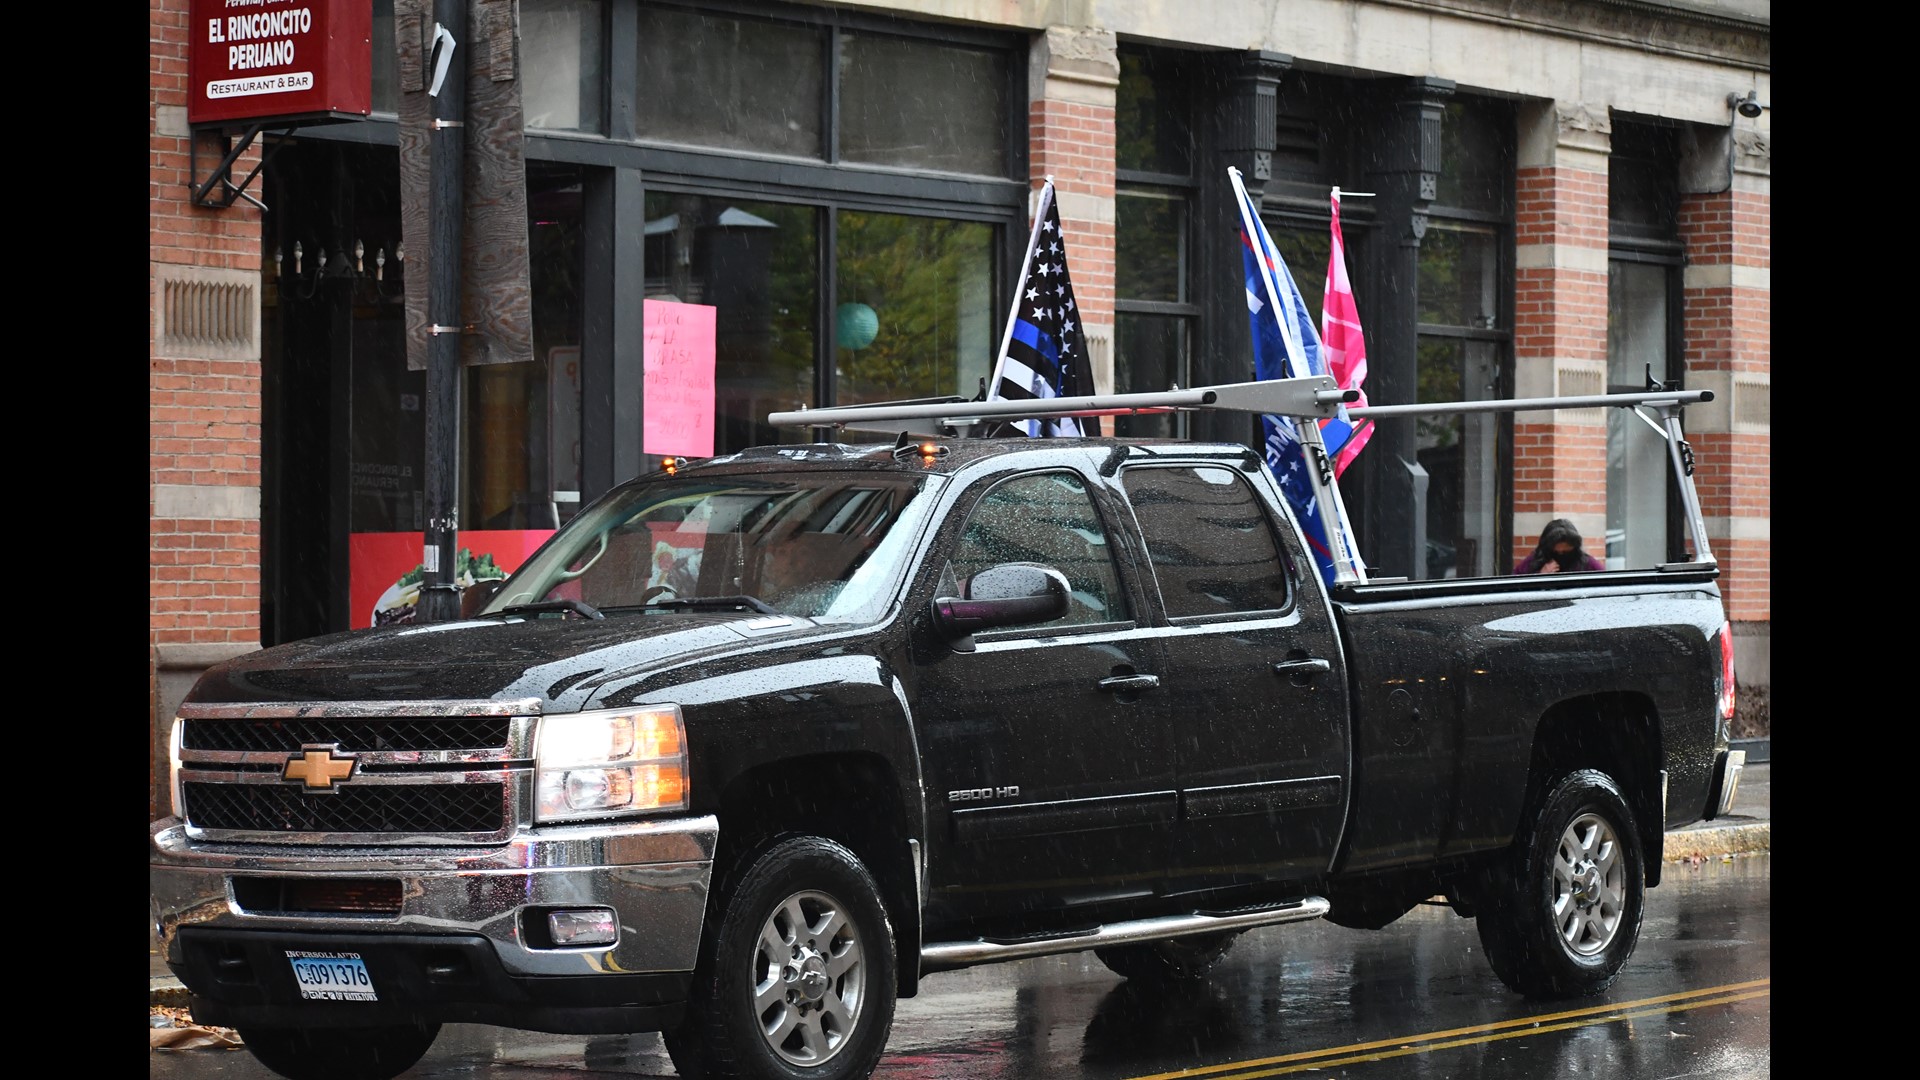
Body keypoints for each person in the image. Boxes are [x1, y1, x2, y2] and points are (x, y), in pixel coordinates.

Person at [1515, 518, 1605, 575]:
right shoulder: (1534, 561)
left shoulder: (1588, 564)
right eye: (1556, 552)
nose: (1561, 555)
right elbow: (1515, 585)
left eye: (1566, 552)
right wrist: (1540, 576)